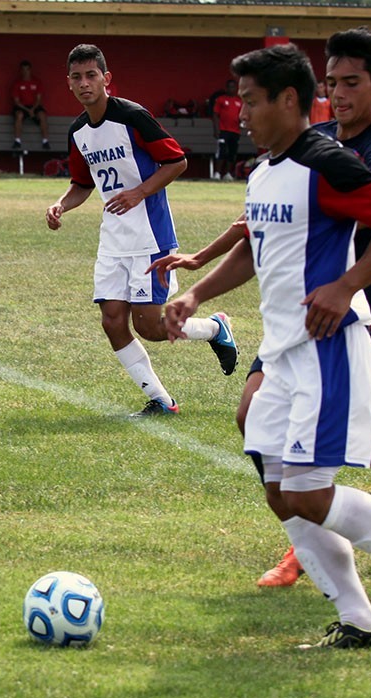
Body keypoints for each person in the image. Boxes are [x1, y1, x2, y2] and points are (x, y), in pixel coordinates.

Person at [150, 26, 371, 592]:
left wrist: (343, 280)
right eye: (332, 83)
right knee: (254, 420)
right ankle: (308, 534)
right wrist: (198, 276)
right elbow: (259, 228)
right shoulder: (304, 141)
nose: (341, 95)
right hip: (301, 322)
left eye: (352, 83)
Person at [44, 43, 238, 418]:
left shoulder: (132, 117)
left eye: (91, 75)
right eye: (77, 77)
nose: (85, 83)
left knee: (149, 326)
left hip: (150, 238)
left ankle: (216, 329)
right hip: (113, 240)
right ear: (68, 83)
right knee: (112, 321)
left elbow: (176, 160)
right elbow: (82, 183)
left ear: (106, 78)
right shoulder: (78, 132)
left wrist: (140, 192)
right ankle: (162, 401)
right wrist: (60, 205)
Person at [12, 60, 51, 151]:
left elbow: (39, 99)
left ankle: (45, 141)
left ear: (30, 70)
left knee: (42, 115)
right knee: (19, 115)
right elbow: (16, 102)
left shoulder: (36, 82)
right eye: (23, 70)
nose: (25, 72)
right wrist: (28, 110)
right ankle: (17, 141)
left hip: (34, 107)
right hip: (22, 107)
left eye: (27, 69)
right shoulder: (17, 83)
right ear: (21, 71)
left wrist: (33, 109)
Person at [212, 79, 243, 181]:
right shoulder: (221, 99)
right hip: (223, 130)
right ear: (226, 88)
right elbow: (215, 115)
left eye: (233, 87)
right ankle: (217, 173)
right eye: (230, 87)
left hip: (235, 131)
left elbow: (241, 117)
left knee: (232, 153)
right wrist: (216, 129)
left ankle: (228, 173)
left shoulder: (239, 101)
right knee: (221, 151)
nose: (231, 89)